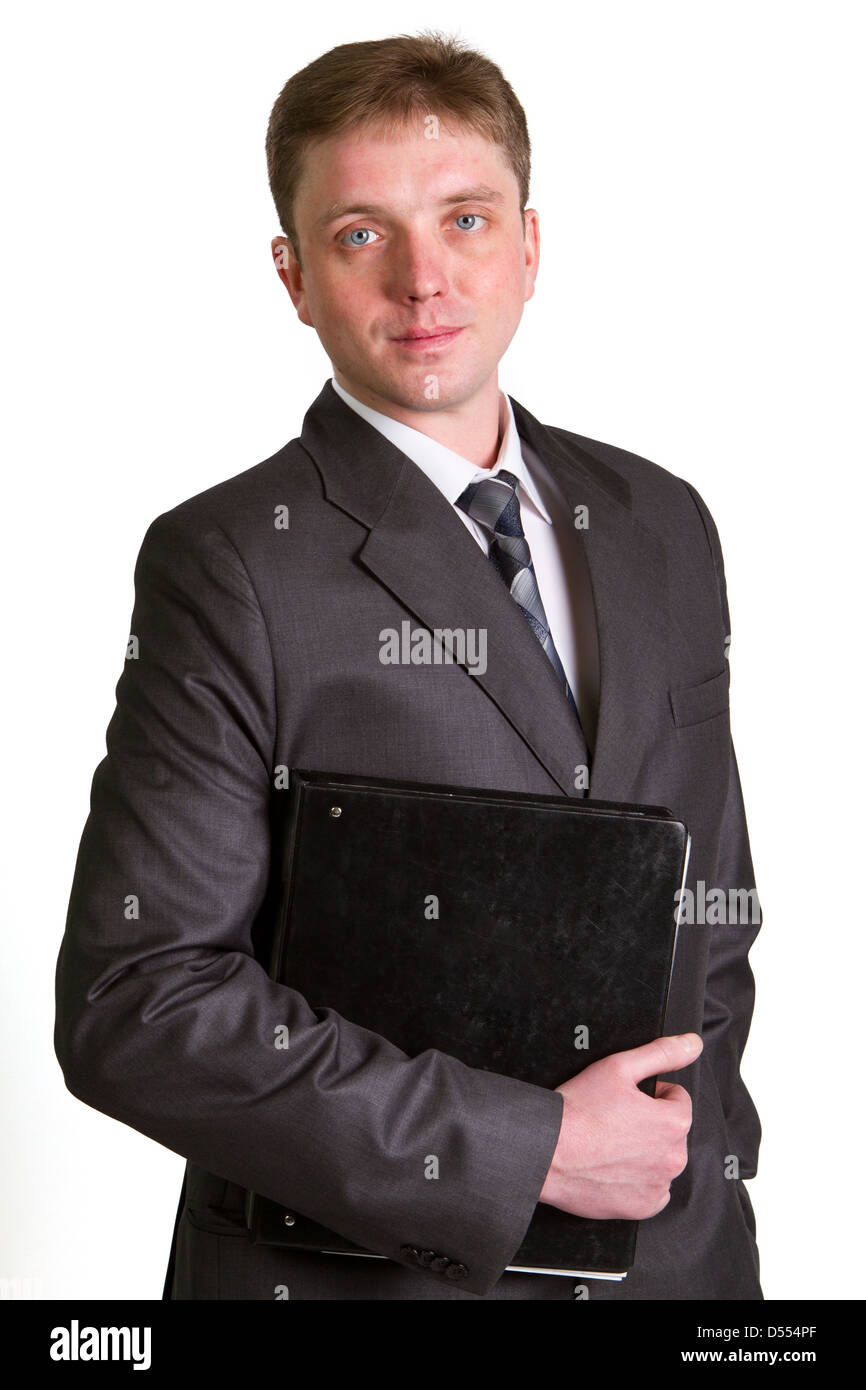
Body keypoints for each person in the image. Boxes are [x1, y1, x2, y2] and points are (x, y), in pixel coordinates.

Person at [54, 30, 762, 1301]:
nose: (426, 279)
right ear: (294, 275)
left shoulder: (663, 523)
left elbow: (709, 907)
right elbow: (138, 997)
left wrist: (708, 1163)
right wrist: (529, 1148)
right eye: (363, 234)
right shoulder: (229, 563)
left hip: (683, 1273)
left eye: (467, 219)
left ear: (530, 247)